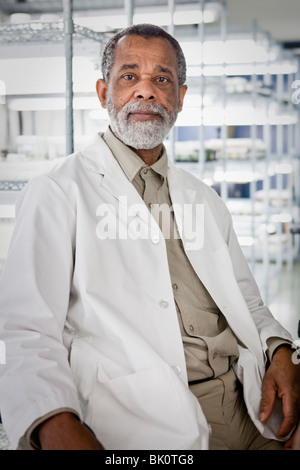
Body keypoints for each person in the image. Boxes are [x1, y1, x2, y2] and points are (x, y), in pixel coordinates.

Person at [0, 23, 299, 451]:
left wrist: (281, 349)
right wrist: (53, 423)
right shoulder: (57, 192)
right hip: (147, 419)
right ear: (104, 94)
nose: (146, 91)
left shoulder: (203, 198)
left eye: (162, 78)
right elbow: (26, 331)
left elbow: (247, 301)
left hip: (250, 405)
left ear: (180, 97)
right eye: (129, 76)